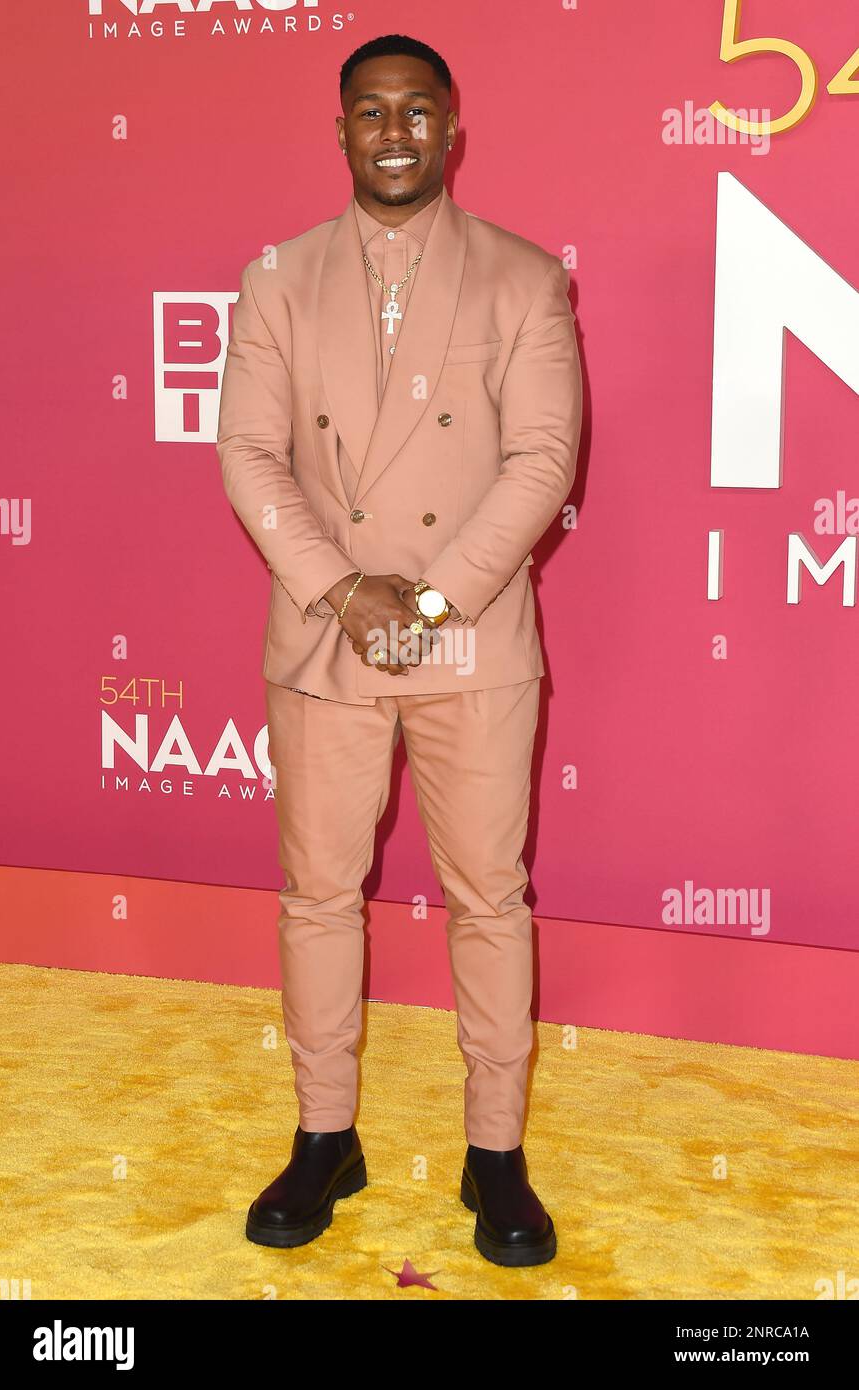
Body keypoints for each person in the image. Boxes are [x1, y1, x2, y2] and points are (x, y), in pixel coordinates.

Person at [216, 32, 582, 1267]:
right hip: (328, 638)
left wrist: (429, 601)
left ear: (451, 125)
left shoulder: (525, 279)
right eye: (369, 112)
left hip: (468, 639)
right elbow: (249, 453)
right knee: (319, 897)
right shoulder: (277, 278)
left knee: (488, 899)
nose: (393, 132)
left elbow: (543, 461)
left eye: (415, 111)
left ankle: (497, 1154)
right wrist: (340, 586)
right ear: (340, 131)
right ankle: (327, 1135)